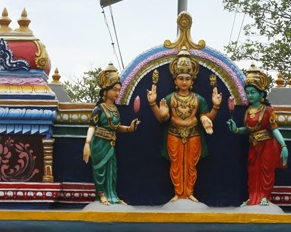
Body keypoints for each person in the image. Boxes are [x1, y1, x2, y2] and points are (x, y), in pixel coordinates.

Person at [147, 48, 222, 202]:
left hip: (193, 135)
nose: (184, 82)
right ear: (175, 81)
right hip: (174, 134)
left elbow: (206, 118)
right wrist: (153, 104)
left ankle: (189, 193)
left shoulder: (199, 99)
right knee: (176, 164)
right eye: (180, 78)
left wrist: (215, 107)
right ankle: (178, 193)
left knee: (191, 165)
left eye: (187, 79)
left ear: (192, 81)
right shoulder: (169, 98)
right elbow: (162, 118)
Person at [227, 64, 288, 206]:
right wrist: (236, 129)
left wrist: (284, 145)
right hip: (253, 146)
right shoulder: (248, 111)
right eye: (247, 92)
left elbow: (274, 129)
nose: (249, 95)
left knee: (266, 172)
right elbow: (247, 129)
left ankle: (264, 197)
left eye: (252, 92)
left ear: (261, 94)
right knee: (253, 172)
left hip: (267, 146)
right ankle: (252, 197)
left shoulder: (267, 110)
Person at [82, 63, 139, 205]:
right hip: (99, 143)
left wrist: (129, 129)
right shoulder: (99, 109)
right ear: (105, 90)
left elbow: (115, 127)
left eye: (119, 90)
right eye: (114, 90)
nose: (117, 93)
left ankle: (112, 195)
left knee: (112, 171)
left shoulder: (114, 108)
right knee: (100, 170)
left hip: (111, 143)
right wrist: (87, 143)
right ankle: (101, 195)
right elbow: (92, 126)